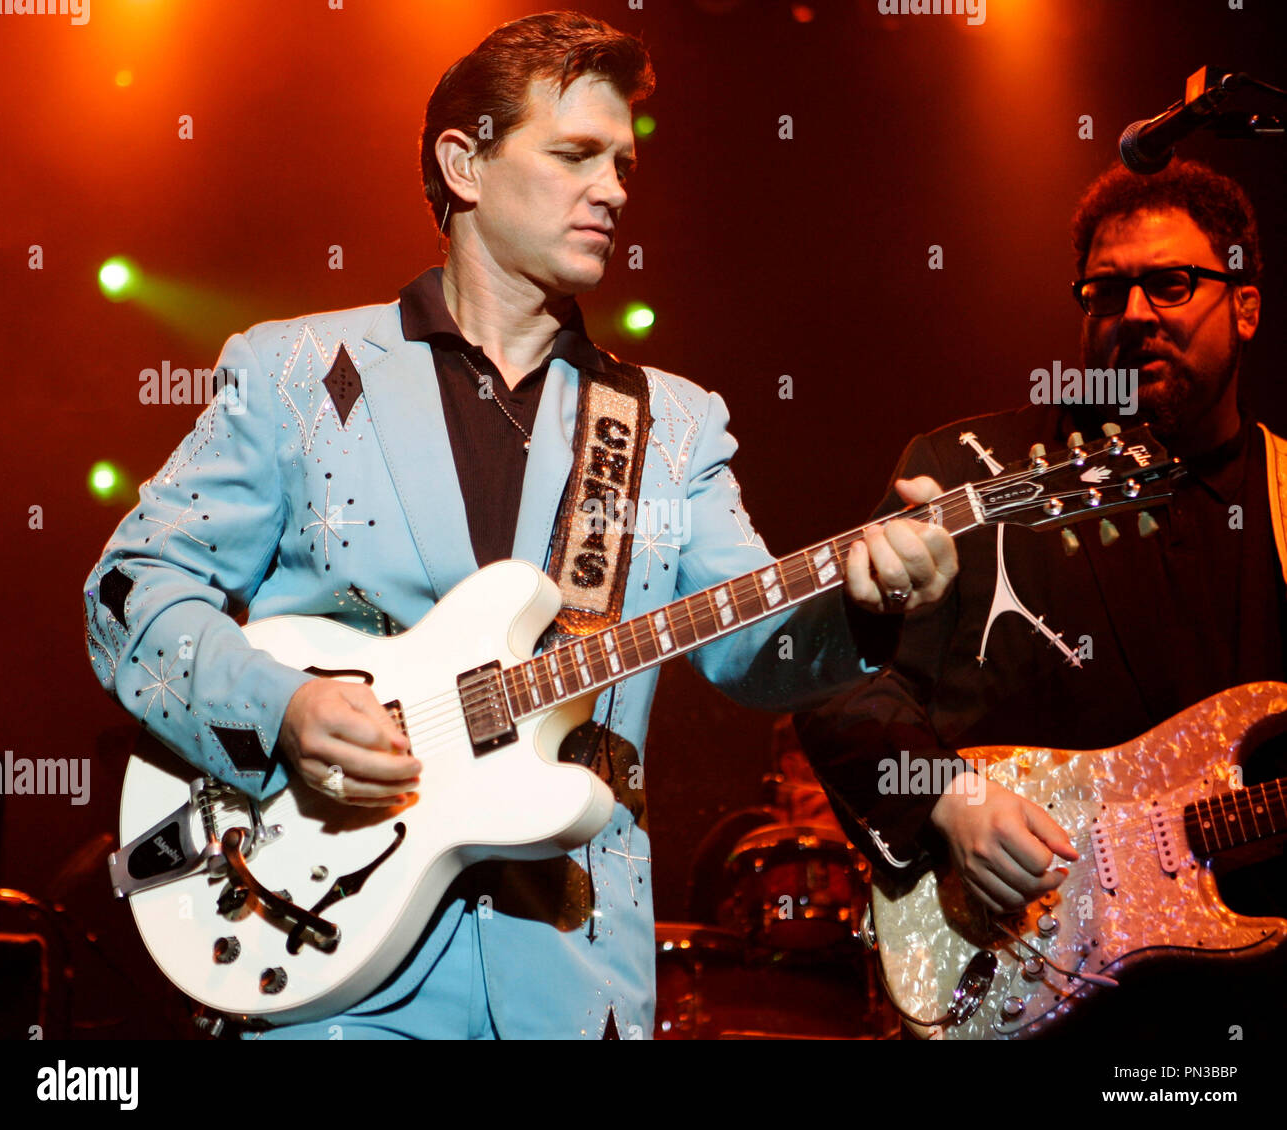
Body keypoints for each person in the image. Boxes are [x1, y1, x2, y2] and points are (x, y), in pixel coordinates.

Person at [82, 11, 956, 1040]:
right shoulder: (297, 373)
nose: (616, 189)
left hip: (571, 975)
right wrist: (281, 707)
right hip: (329, 954)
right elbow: (131, 587)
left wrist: (863, 605)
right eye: (575, 154)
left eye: (622, 162)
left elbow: (749, 654)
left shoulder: (669, 422)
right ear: (464, 163)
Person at [795, 158, 1287, 1038]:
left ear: (1246, 305)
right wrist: (948, 798)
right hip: (1025, 985)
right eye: (1105, 293)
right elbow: (827, 676)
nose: (1134, 315)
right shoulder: (970, 474)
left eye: (1170, 285)